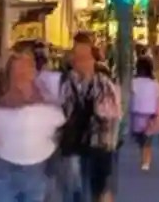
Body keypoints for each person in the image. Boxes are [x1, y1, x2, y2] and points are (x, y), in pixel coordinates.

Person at [0, 50, 65, 202]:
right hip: (3, 167)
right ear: (10, 74)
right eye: (18, 70)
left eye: (27, 68)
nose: (22, 73)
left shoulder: (46, 97)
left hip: (37, 167)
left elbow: (59, 121)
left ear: (34, 72)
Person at [58, 39, 121, 202]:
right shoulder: (66, 82)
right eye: (77, 58)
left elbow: (111, 113)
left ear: (93, 60)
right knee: (75, 188)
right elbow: (62, 109)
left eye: (85, 58)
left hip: (100, 143)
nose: (81, 62)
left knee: (99, 188)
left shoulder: (104, 82)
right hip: (73, 143)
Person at [129, 57, 159, 172]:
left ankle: (143, 157)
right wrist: (157, 113)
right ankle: (146, 161)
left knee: (140, 138)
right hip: (150, 113)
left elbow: (131, 97)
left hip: (137, 112)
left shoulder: (133, 83)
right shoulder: (155, 84)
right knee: (148, 140)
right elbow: (157, 99)